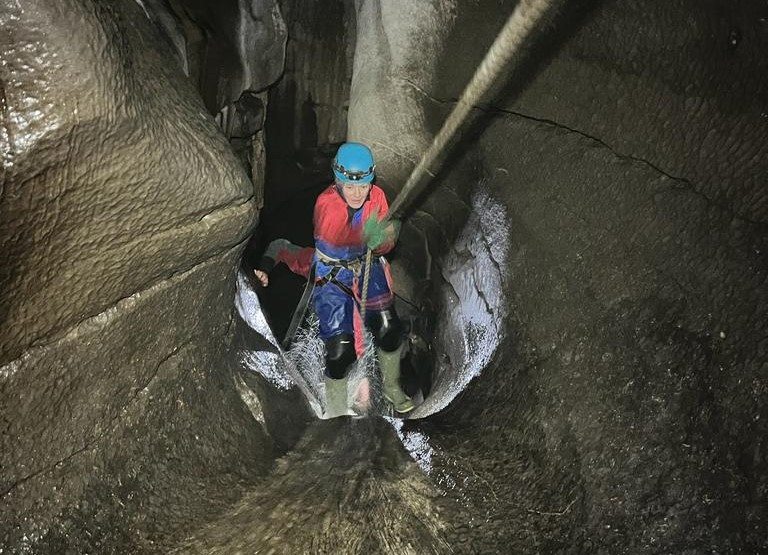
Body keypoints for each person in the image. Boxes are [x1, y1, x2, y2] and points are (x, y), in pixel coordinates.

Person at [254, 142, 414, 417]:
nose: (356, 193)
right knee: (341, 352)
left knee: (389, 329)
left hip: (368, 267)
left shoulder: (377, 197)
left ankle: (392, 387)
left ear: (370, 181)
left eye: (362, 186)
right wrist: (373, 234)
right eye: (349, 186)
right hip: (332, 275)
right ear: (337, 182)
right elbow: (335, 237)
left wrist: (385, 238)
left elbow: (387, 237)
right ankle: (337, 411)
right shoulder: (326, 204)